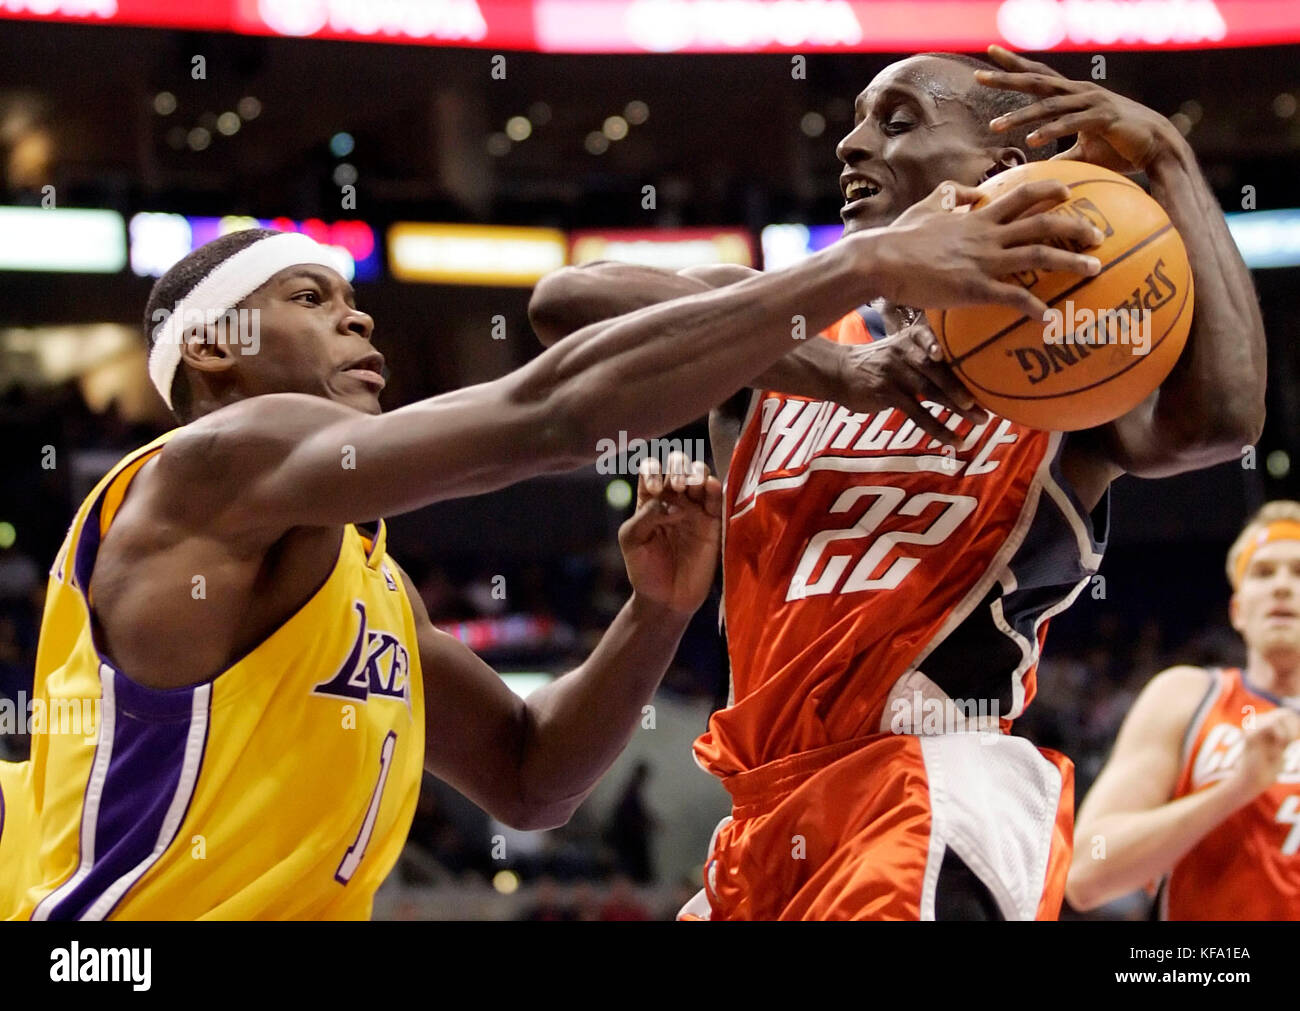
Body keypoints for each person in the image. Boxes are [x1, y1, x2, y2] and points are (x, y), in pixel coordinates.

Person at [0, 181, 1088, 920]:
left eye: (353, 299)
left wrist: (655, 612)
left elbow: (531, 780)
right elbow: (555, 410)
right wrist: (860, 269)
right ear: (213, 354)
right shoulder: (219, 457)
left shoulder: (359, 578)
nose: (360, 323)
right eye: (310, 298)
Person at [528, 46, 1266, 920]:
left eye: (898, 119)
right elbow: (567, 301)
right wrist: (839, 367)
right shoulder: (777, 327)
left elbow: (1221, 419)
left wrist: (1169, 162)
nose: (850, 144)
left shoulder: (1060, 361)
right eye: (853, 121)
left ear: (996, 168)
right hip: (762, 811)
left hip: (927, 783)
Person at [1067, 502, 1300, 920]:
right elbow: (1086, 874)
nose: (1282, 586)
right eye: (1263, 573)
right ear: (1238, 610)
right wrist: (1237, 788)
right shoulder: (1187, 696)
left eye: (1299, 572)